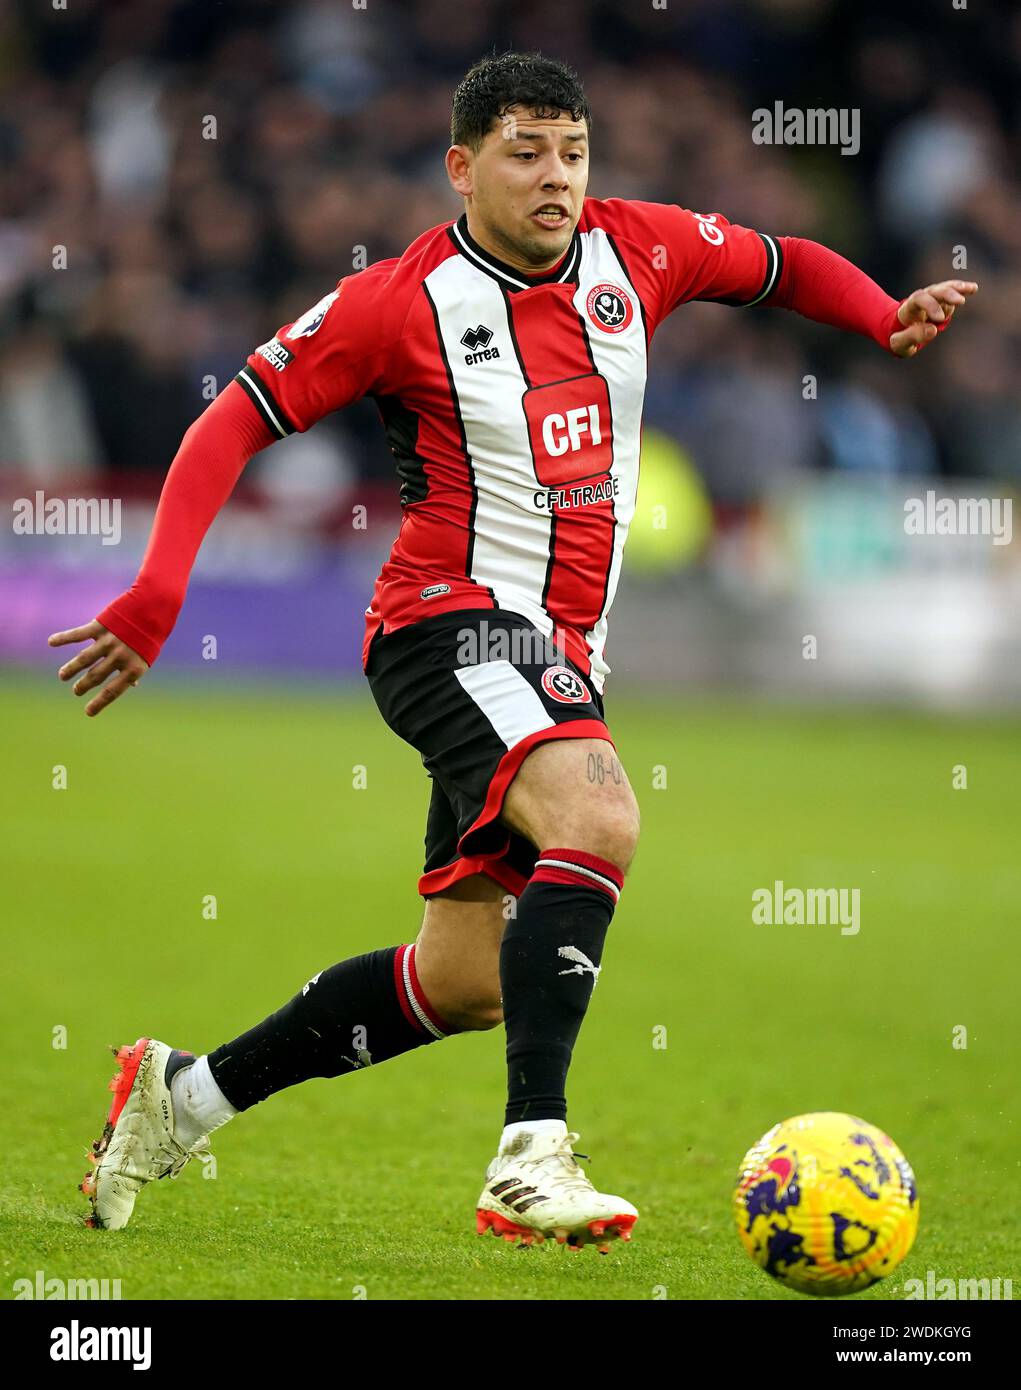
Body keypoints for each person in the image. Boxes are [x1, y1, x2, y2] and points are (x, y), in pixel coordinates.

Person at [50, 51, 976, 1252]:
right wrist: (159, 589)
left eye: (573, 152)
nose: (556, 178)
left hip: (558, 654)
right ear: (462, 166)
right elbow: (231, 420)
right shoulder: (397, 301)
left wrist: (879, 311)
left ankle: (183, 1098)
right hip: (445, 620)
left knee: (468, 979)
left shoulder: (639, 248)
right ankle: (530, 1156)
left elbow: (780, 262)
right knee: (599, 815)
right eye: (525, 152)